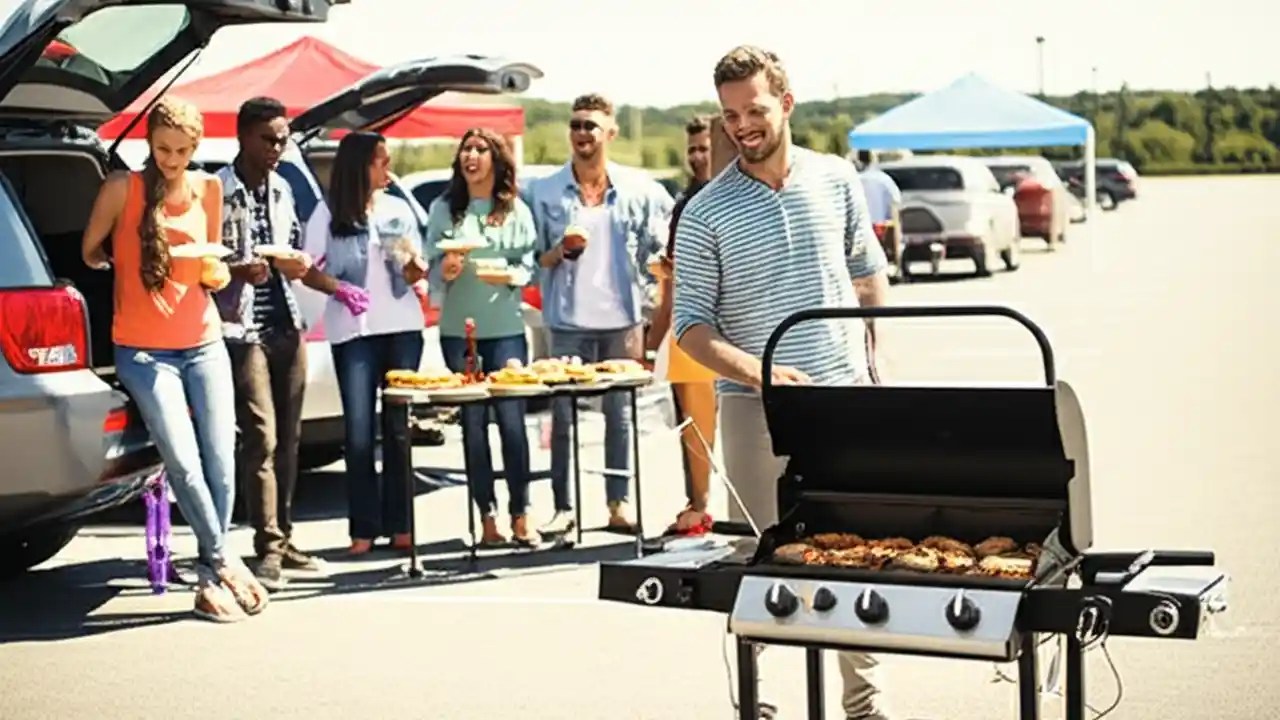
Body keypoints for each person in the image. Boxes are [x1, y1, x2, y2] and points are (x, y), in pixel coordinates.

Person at [672, 46, 892, 720]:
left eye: (755, 109)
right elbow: (689, 328)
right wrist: (760, 372)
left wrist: (875, 361)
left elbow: (868, 272)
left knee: (856, 552)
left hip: (846, 398)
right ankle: (757, 705)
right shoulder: (707, 211)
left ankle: (864, 705)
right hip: (753, 408)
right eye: (730, 113)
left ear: (786, 104)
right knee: (757, 556)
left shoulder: (835, 180)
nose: (741, 125)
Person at [81, 96, 269, 623]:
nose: (173, 159)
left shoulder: (207, 187)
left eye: (184, 150)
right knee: (182, 460)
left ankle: (211, 576)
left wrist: (215, 272)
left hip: (203, 337)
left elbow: (213, 263)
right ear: (149, 143)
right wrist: (128, 264)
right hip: (142, 348)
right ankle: (224, 561)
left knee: (221, 458)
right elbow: (89, 250)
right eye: (164, 148)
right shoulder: (124, 187)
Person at [522, 93, 674, 537]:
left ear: (611, 132)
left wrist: (664, 263)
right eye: (575, 125)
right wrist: (559, 251)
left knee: (619, 417)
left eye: (591, 125)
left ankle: (618, 504)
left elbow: (659, 247)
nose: (582, 133)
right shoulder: (544, 191)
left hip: (621, 320)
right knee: (563, 418)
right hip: (567, 321)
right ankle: (564, 509)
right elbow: (532, 259)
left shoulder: (640, 190)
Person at [301, 131, 428, 556]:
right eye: (382, 162)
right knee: (357, 433)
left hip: (402, 328)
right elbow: (306, 269)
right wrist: (337, 287)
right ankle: (363, 528)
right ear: (362, 165)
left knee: (398, 432)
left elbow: (414, 274)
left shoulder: (397, 209)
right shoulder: (328, 212)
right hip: (353, 333)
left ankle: (401, 526)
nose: (388, 170)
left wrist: (415, 267)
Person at [214, 96, 320, 590]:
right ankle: (268, 547)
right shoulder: (216, 189)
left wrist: (296, 265)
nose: (278, 148)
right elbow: (201, 264)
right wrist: (237, 270)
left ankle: (286, 534)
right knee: (263, 437)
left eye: (284, 139)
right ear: (243, 136)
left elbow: (292, 245)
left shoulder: (282, 189)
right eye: (269, 139)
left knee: (292, 439)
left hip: (286, 321)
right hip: (242, 328)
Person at [424, 128, 539, 547]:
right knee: (473, 426)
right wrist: (445, 271)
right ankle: (486, 517)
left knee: (512, 425)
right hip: (460, 332)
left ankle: (521, 514)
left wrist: (514, 276)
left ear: (497, 159)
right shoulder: (444, 210)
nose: (470, 157)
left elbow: (529, 267)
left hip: (506, 329)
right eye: (465, 150)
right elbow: (432, 268)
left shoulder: (515, 211)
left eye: (480, 150)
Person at [645, 115, 718, 535]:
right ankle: (698, 507)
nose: (696, 157)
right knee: (694, 430)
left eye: (704, 148)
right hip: (691, 334)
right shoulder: (683, 204)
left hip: (737, 331)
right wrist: (656, 340)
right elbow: (671, 282)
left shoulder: (741, 196)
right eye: (691, 149)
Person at [855, 150, 903, 276]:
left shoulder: (855, 179)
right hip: (881, 225)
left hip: (861, 225)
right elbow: (895, 202)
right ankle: (897, 266)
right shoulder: (884, 179)